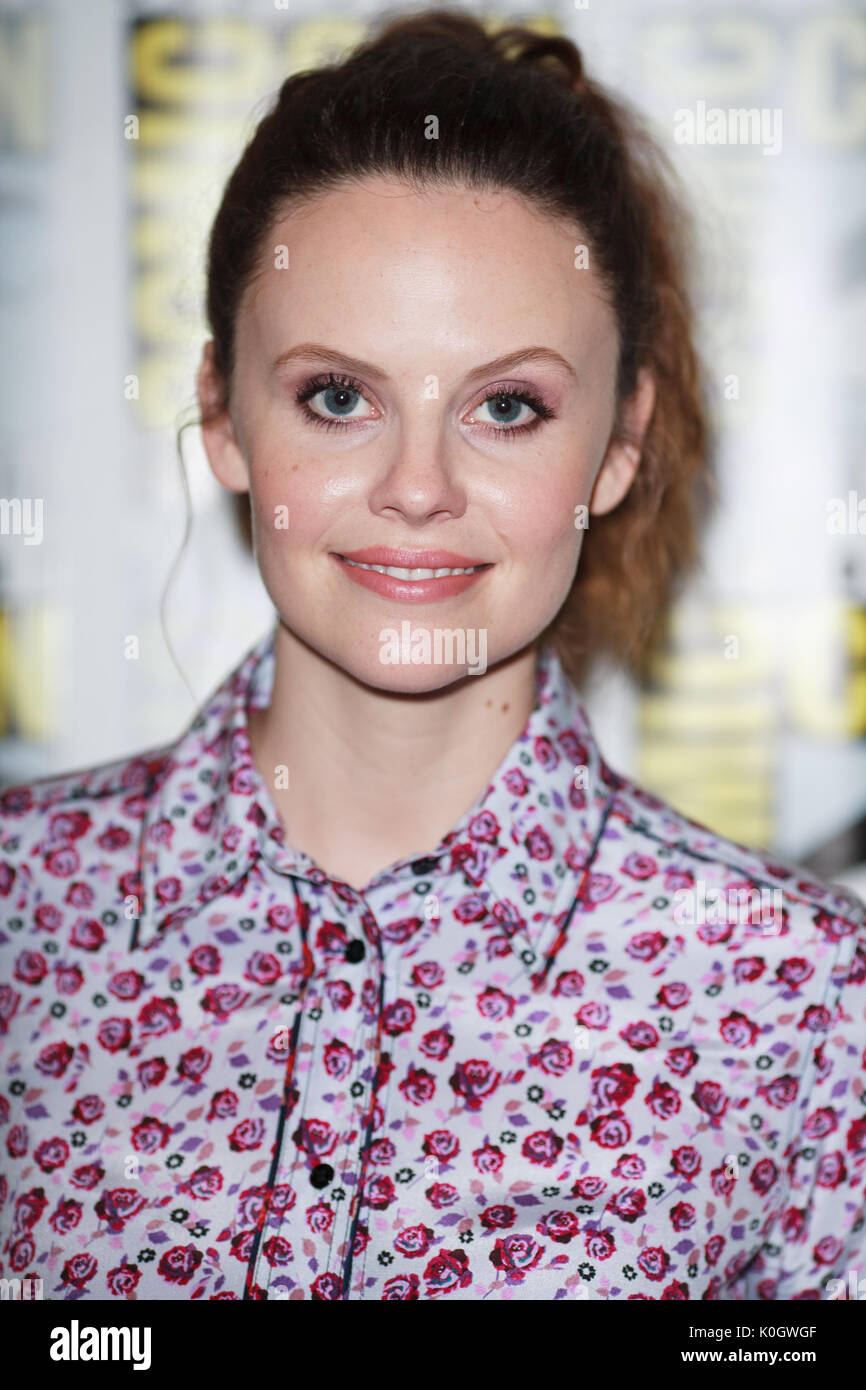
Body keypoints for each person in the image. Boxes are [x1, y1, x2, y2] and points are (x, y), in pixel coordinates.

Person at [1, 8, 864, 1303]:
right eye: (336, 396)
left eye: (505, 406)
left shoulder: (804, 1001)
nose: (417, 485)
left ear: (617, 443)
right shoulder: (21, 912)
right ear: (222, 412)